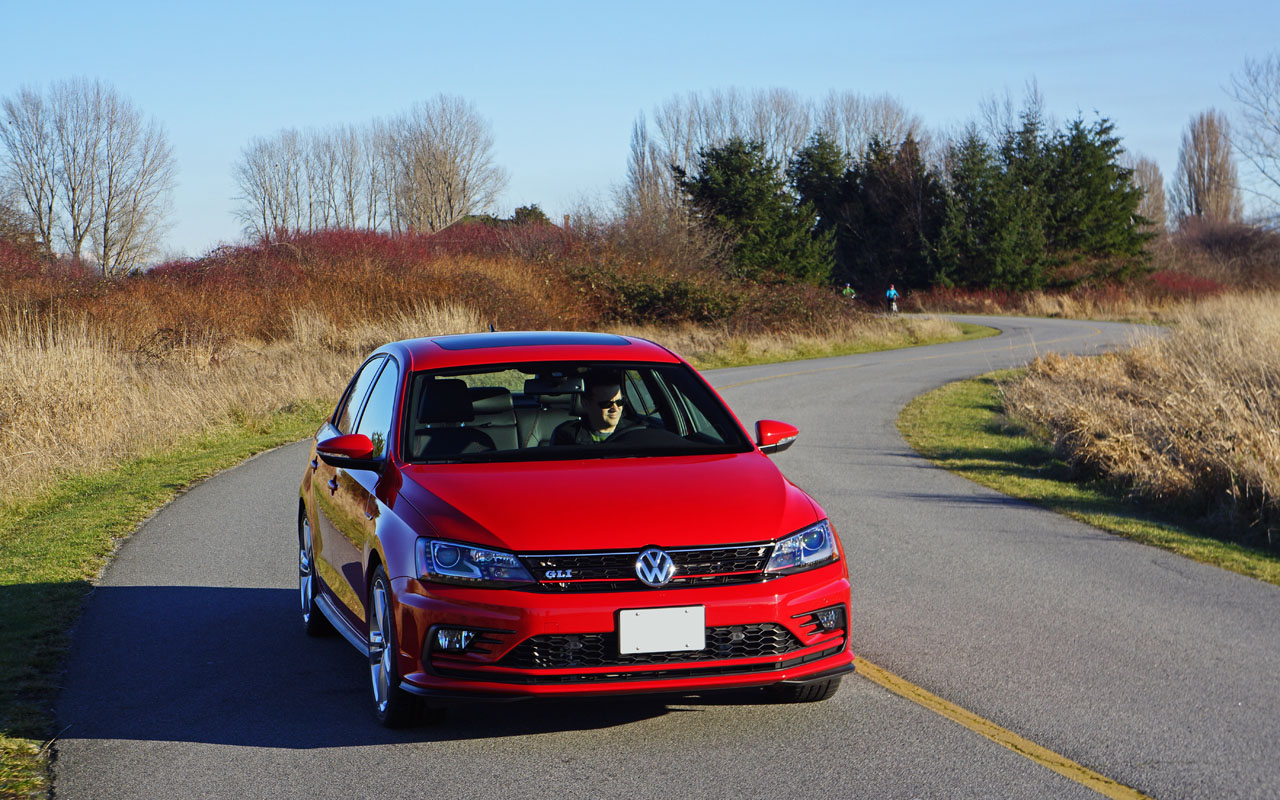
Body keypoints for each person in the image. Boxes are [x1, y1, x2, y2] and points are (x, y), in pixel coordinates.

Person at [552, 374, 631, 444]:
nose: (615, 408)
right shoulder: (566, 435)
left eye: (620, 402)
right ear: (585, 403)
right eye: (607, 404)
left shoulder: (634, 432)